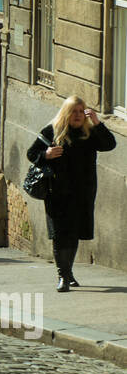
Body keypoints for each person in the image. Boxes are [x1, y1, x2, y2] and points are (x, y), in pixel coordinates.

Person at [27, 96, 116, 292]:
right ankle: (62, 276)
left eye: (80, 111)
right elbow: (32, 153)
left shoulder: (89, 133)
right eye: (73, 111)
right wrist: (46, 154)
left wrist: (97, 122)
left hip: (82, 193)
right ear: (66, 113)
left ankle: (68, 273)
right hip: (56, 192)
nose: (77, 116)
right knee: (60, 234)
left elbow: (110, 145)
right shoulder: (52, 131)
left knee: (74, 233)